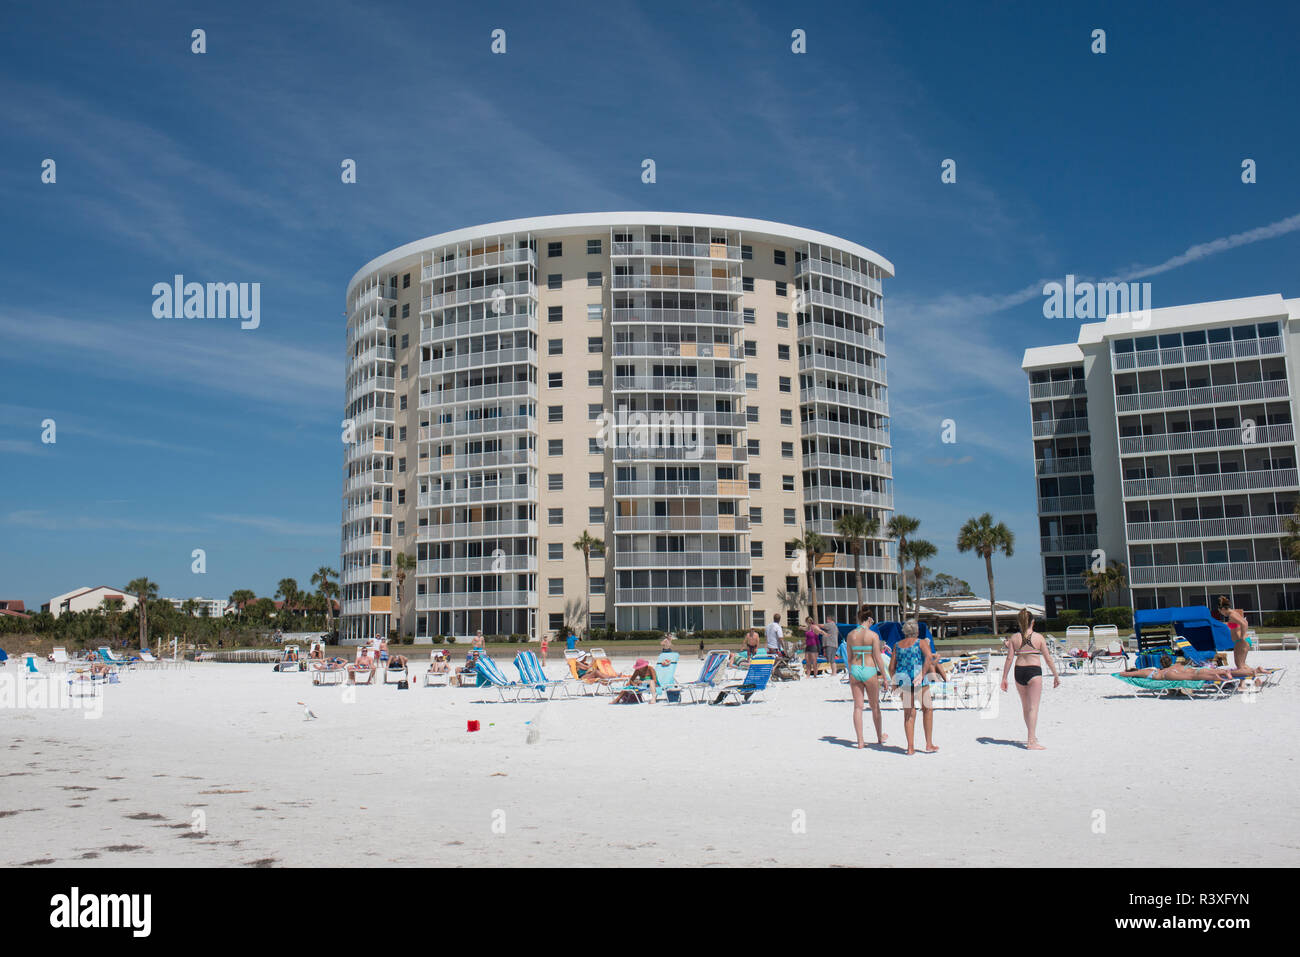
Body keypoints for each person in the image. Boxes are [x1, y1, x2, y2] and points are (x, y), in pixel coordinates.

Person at [999, 608, 1060, 751]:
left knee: (1026, 707)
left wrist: (1004, 678)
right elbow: (1048, 659)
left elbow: (1009, 659)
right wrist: (1055, 675)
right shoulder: (1038, 637)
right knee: (1033, 707)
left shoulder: (1014, 638)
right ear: (1033, 622)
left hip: (1019, 671)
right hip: (1033, 670)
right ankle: (1031, 741)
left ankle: (1031, 736)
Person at [889, 619, 939, 755]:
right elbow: (929, 657)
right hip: (918, 679)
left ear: (904, 631)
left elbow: (891, 667)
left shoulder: (897, 645)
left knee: (909, 714)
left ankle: (910, 748)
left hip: (903, 679)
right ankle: (929, 744)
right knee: (927, 709)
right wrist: (923, 674)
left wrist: (894, 682)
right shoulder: (921, 642)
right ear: (916, 631)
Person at [847, 607, 891, 749]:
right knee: (875, 706)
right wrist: (884, 677)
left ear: (859, 618)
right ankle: (879, 737)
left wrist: (850, 672)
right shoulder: (872, 635)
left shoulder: (851, 635)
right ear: (870, 619)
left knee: (858, 707)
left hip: (855, 669)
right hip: (869, 669)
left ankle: (860, 741)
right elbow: (878, 658)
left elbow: (849, 658)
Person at [1214, 596, 1251, 669]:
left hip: (1241, 641)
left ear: (1223, 609)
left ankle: (1257, 674)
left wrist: (1242, 637)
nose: (1221, 613)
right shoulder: (1234, 613)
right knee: (1242, 665)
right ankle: (1253, 679)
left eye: (1220, 611)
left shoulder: (1232, 615)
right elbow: (1242, 623)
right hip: (1240, 641)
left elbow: (1244, 624)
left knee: (1240, 666)